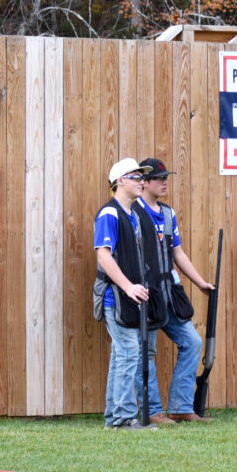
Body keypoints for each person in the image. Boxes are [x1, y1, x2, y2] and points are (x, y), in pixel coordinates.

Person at [135, 157, 216, 423]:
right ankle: (153, 411)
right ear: (144, 182)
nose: (164, 182)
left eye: (166, 177)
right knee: (146, 350)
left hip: (169, 293)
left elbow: (177, 253)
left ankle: (181, 407)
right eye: (159, 178)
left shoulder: (168, 214)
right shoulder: (132, 212)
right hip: (145, 295)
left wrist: (200, 281)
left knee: (192, 342)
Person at [92, 157, 153, 429]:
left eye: (143, 177)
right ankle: (124, 417)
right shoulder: (110, 213)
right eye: (137, 177)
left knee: (122, 355)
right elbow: (103, 255)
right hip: (114, 298)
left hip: (129, 297)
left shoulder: (135, 215)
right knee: (128, 352)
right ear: (120, 182)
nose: (143, 182)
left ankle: (114, 417)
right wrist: (128, 286)